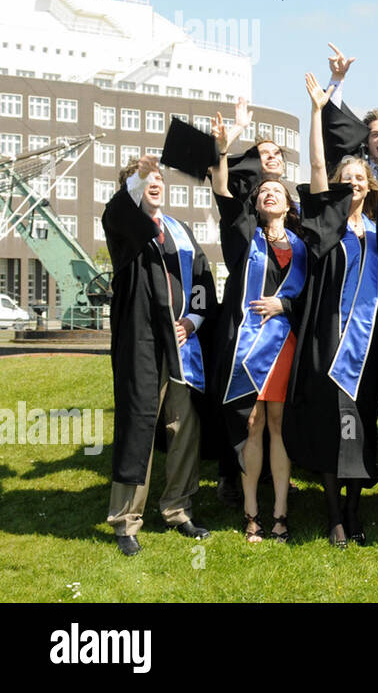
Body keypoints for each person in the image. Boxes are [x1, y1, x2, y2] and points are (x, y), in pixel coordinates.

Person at [212, 107, 328, 544]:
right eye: (264, 193)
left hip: (283, 347)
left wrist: (284, 305)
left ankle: (280, 512)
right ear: (257, 204)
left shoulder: (302, 245)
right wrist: (227, 142)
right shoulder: (245, 237)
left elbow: (312, 298)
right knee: (252, 424)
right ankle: (251, 513)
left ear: (287, 202)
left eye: (277, 191)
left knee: (278, 425)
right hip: (247, 348)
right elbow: (222, 189)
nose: (270, 195)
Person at [282, 74, 378, 548]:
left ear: (371, 185)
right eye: (348, 180)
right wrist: (317, 112)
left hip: (369, 347)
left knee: (361, 425)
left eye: (360, 178)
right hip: (329, 341)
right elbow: (318, 167)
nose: (354, 184)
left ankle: (355, 508)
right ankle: (333, 516)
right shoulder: (327, 226)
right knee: (331, 426)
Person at [102, 155, 216, 556]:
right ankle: (126, 520)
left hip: (182, 347)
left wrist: (194, 320)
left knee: (184, 428)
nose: (155, 181)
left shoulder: (180, 231)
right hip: (142, 343)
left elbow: (202, 279)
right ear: (130, 187)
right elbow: (119, 210)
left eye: (158, 176)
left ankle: (178, 508)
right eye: (144, 177)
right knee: (137, 427)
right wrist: (134, 181)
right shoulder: (123, 225)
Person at [317, 45, 378, 182]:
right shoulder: (353, 173)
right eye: (375, 134)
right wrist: (337, 78)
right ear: (366, 141)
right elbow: (335, 131)